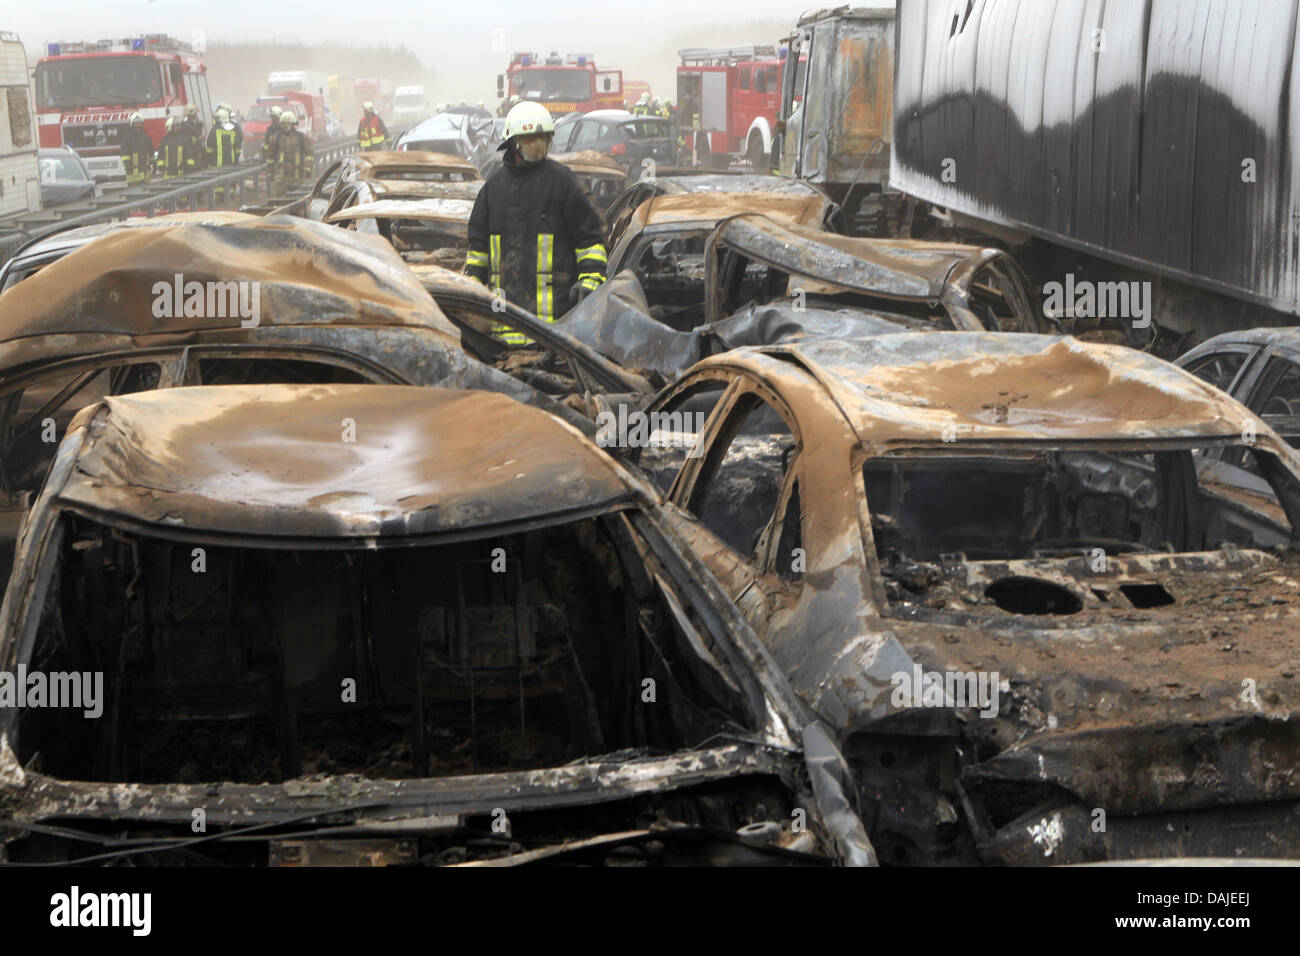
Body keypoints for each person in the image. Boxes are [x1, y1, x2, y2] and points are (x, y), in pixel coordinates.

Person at [464, 102, 606, 341]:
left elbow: (590, 240)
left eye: (543, 139)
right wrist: (471, 291)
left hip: (556, 332)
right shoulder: (494, 189)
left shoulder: (563, 183)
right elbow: (478, 251)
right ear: (513, 142)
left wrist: (590, 281)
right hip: (501, 333)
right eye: (531, 140)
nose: (539, 147)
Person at [206, 108, 243, 206]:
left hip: (217, 163)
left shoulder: (214, 130)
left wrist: (209, 160)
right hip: (230, 162)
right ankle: (230, 197)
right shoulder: (233, 129)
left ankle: (219, 197)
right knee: (230, 181)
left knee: (219, 182)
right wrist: (236, 158)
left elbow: (209, 146)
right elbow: (238, 146)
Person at [272, 111, 313, 196]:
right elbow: (270, 154)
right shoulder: (277, 137)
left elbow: (309, 153)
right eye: (283, 124)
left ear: (293, 124)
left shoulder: (301, 137)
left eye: (287, 123)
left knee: (296, 198)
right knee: (280, 198)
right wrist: (270, 170)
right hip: (281, 175)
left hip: (297, 175)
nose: (285, 126)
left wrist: (308, 168)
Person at [120, 112, 156, 185]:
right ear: (132, 124)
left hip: (145, 173)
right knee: (133, 194)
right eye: (136, 123)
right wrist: (127, 164)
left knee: (147, 195)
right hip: (133, 174)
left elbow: (151, 151)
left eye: (140, 123)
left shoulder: (146, 137)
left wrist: (154, 164)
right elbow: (124, 152)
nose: (138, 124)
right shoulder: (127, 137)